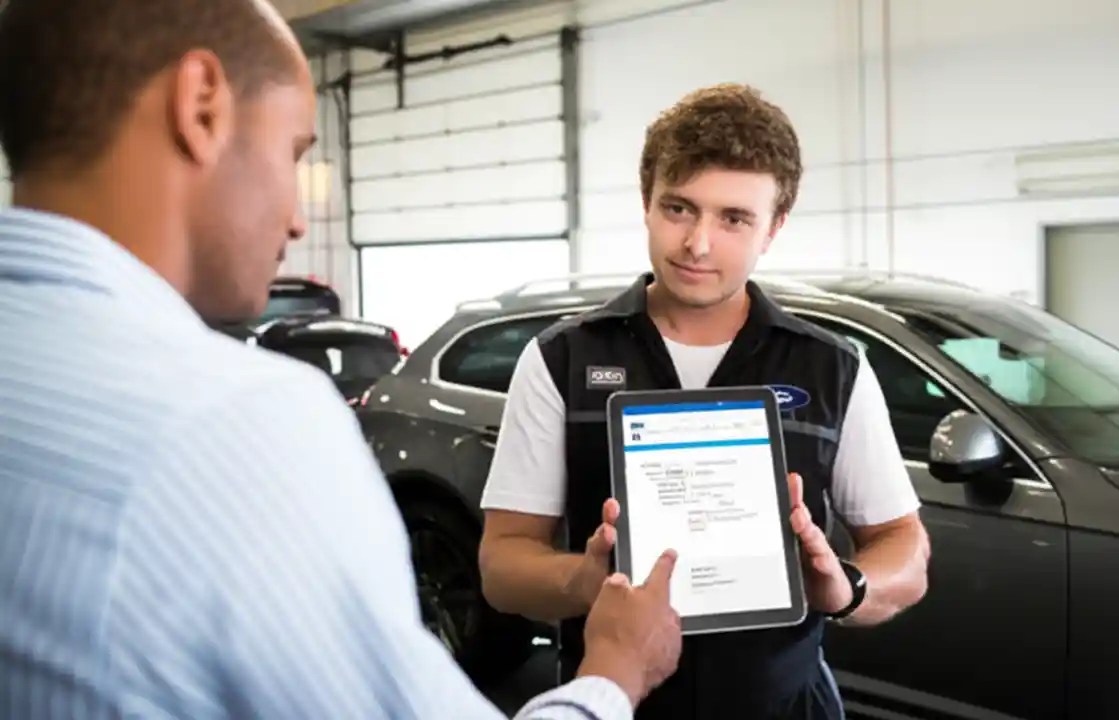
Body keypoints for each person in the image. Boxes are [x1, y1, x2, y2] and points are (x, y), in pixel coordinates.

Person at [0, 1, 681, 718]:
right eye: (293, 152)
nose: (299, 219)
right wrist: (614, 670)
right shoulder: (242, 424)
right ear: (200, 107)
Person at [477, 83, 932, 720]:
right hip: (619, 705)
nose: (698, 243)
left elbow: (905, 549)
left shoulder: (833, 368)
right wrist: (582, 581)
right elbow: (502, 563)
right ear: (646, 202)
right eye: (679, 208)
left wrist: (846, 586)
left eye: (734, 218)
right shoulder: (562, 360)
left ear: (773, 228)